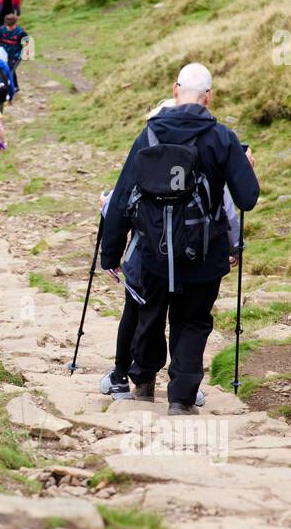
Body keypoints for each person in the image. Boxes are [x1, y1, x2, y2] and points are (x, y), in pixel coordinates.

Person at [99, 63, 260, 415]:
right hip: (203, 254)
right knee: (193, 322)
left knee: (150, 313)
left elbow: (124, 194)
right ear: (209, 97)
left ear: (175, 91)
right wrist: (244, 165)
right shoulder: (222, 138)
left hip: (153, 251)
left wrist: (110, 252)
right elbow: (246, 198)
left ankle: (142, 383)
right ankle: (181, 399)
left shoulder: (148, 136)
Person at [0, 12, 29, 93]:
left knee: (9, 70)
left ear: (15, 24)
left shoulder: (21, 32)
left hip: (16, 55)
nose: (10, 28)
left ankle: (11, 88)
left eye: (12, 26)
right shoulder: (2, 29)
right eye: (8, 26)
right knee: (5, 69)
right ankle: (14, 86)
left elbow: (27, 43)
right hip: (4, 54)